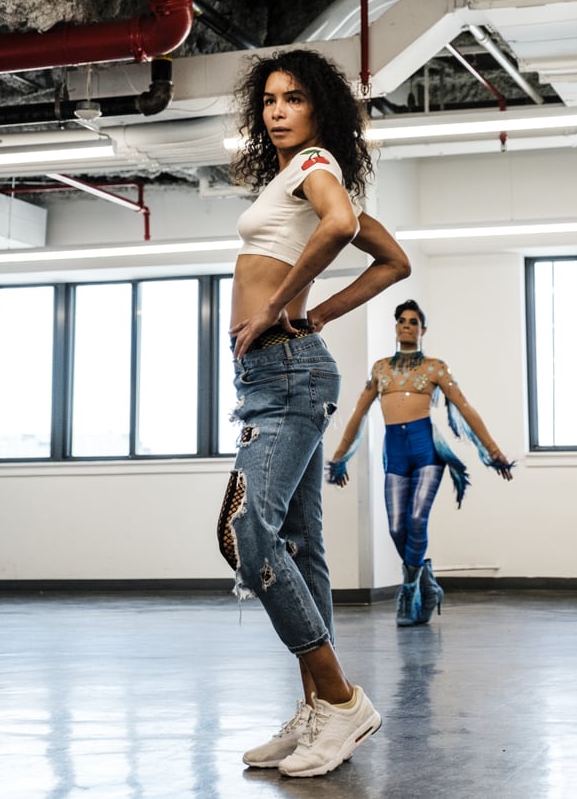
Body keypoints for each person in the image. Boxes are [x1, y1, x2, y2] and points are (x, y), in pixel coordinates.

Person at [217, 48, 410, 779]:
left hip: (288, 374)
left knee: (244, 531)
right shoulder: (293, 177)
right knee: (299, 544)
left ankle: (340, 699)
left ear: (318, 109)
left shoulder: (314, 165)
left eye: (292, 98)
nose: (276, 110)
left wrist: (278, 305)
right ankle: (314, 712)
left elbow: (339, 224)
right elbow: (393, 259)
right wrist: (317, 310)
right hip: (273, 373)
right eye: (269, 99)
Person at [327, 299, 513, 627]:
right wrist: (340, 456)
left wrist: (493, 450)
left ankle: (409, 588)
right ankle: (428, 582)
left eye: (413, 321)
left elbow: (465, 408)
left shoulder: (435, 368)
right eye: (401, 320)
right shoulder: (381, 369)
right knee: (397, 526)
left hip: (427, 451)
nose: (407, 325)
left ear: (422, 329)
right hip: (395, 452)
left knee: (416, 518)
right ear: (396, 327)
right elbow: (358, 412)